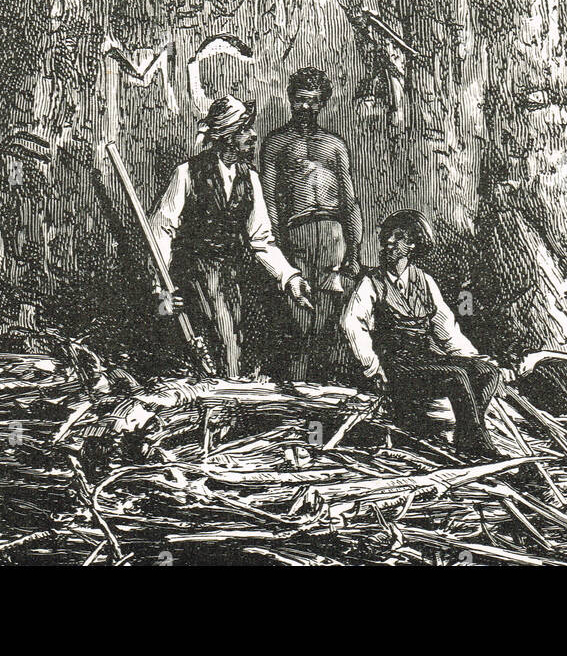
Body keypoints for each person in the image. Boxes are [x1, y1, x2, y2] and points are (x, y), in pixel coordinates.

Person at [147, 95, 313, 377]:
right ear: (226, 137)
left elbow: (261, 239)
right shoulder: (187, 173)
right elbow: (161, 231)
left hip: (235, 277)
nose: (253, 135)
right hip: (194, 278)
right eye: (244, 130)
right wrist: (161, 287)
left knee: (253, 345)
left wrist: (290, 277)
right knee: (219, 351)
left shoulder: (250, 179)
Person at [341, 209, 504, 459]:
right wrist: (373, 368)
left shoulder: (425, 281)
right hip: (396, 365)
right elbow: (352, 323)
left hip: (427, 360)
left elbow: (446, 327)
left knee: (487, 371)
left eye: (399, 237)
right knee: (456, 376)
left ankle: (467, 434)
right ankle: (475, 444)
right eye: (387, 236)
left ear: (413, 244)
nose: (389, 242)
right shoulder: (371, 282)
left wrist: (472, 357)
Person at [260, 67, 362, 380]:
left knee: (330, 323)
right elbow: (268, 201)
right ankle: (299, 394)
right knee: (299, 321)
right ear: (291, 99)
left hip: (333, 236)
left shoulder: (335, 145)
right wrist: (279, 249)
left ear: (322, 103)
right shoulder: (276, 144)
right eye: (301, 100)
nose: (307, 107)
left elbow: (349, 200)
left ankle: (328, 396)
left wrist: (353, 250)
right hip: (297, 234)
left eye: (314, 101)